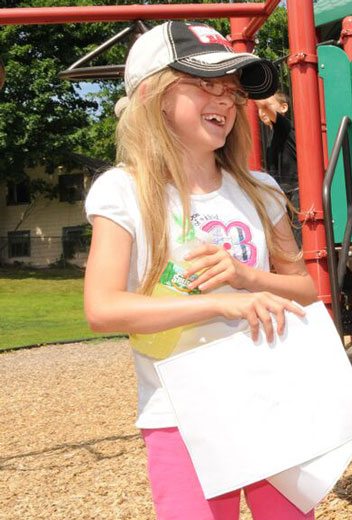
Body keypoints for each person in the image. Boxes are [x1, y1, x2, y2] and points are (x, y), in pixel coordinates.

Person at [83, 21, 317, 520]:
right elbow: (102, 308)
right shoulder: (122, 190)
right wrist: (217, 301)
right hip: (180, 414)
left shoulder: (260, 189)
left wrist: (246, 276)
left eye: (230, 91)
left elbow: (307, 291)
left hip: (270, 399)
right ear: (153, 95)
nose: (226, 101)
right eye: (205, 85)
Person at [255, 90, 298, 195]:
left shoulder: (285, 127)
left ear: (284, 107)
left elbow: (263, 105)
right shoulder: (271, 134)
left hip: (295, 192)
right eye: (259, 109)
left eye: (268, 106)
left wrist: (250, 88)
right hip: (282, 192)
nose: (262, 111)